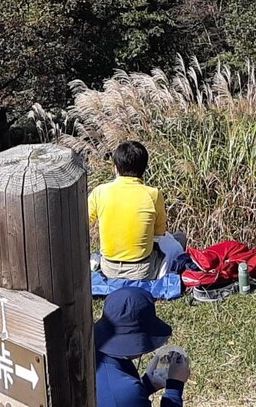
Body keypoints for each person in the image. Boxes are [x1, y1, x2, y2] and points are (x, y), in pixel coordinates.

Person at [89, 141, 176, 280]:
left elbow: (83, 223)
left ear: (116, 167)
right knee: (179, 238)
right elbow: (160, 233)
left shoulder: (100, 192)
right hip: (142, 272)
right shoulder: (153, 194)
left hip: (108, 269)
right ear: (144, 168)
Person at [95, 286, 189, 407]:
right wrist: (175, 387)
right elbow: (122, 398)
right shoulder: (127, 391)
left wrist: (148, 384)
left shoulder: (91, 352)